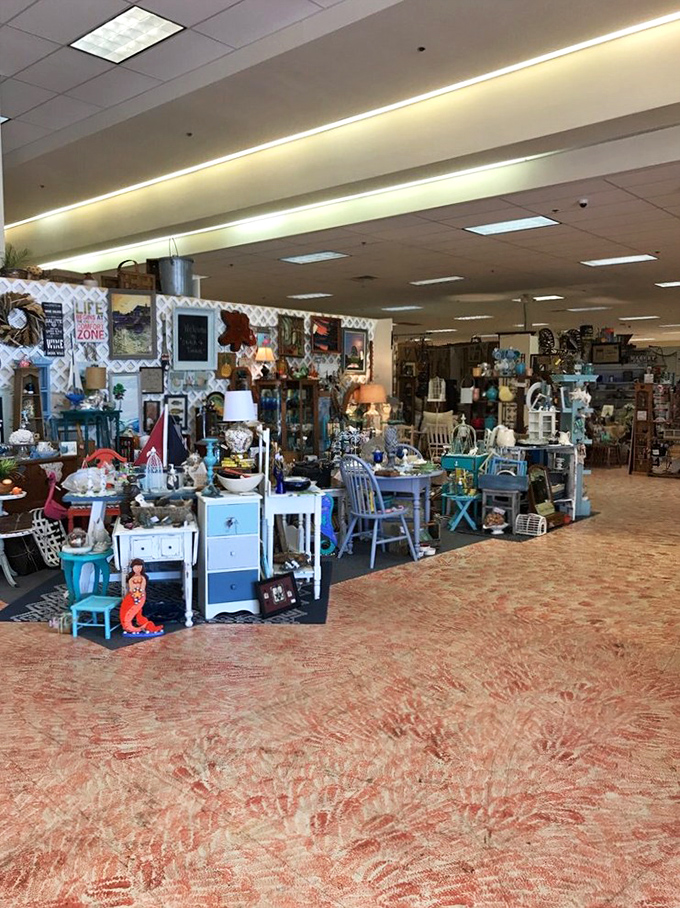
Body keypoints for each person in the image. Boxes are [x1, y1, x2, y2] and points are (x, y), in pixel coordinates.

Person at [119, 558, 163, 636]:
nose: (138, 568)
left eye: (139, 566)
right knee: (131, 610)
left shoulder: (143, 578)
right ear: (132, 567)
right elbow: (131, 588)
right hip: (133, 596)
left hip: (140, 596)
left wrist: (139, 593)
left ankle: (144, 624)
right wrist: (134, 592)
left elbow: (142, 588)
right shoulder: (131, 578)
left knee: (139, 610)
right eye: (135, 566)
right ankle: (138, 625)